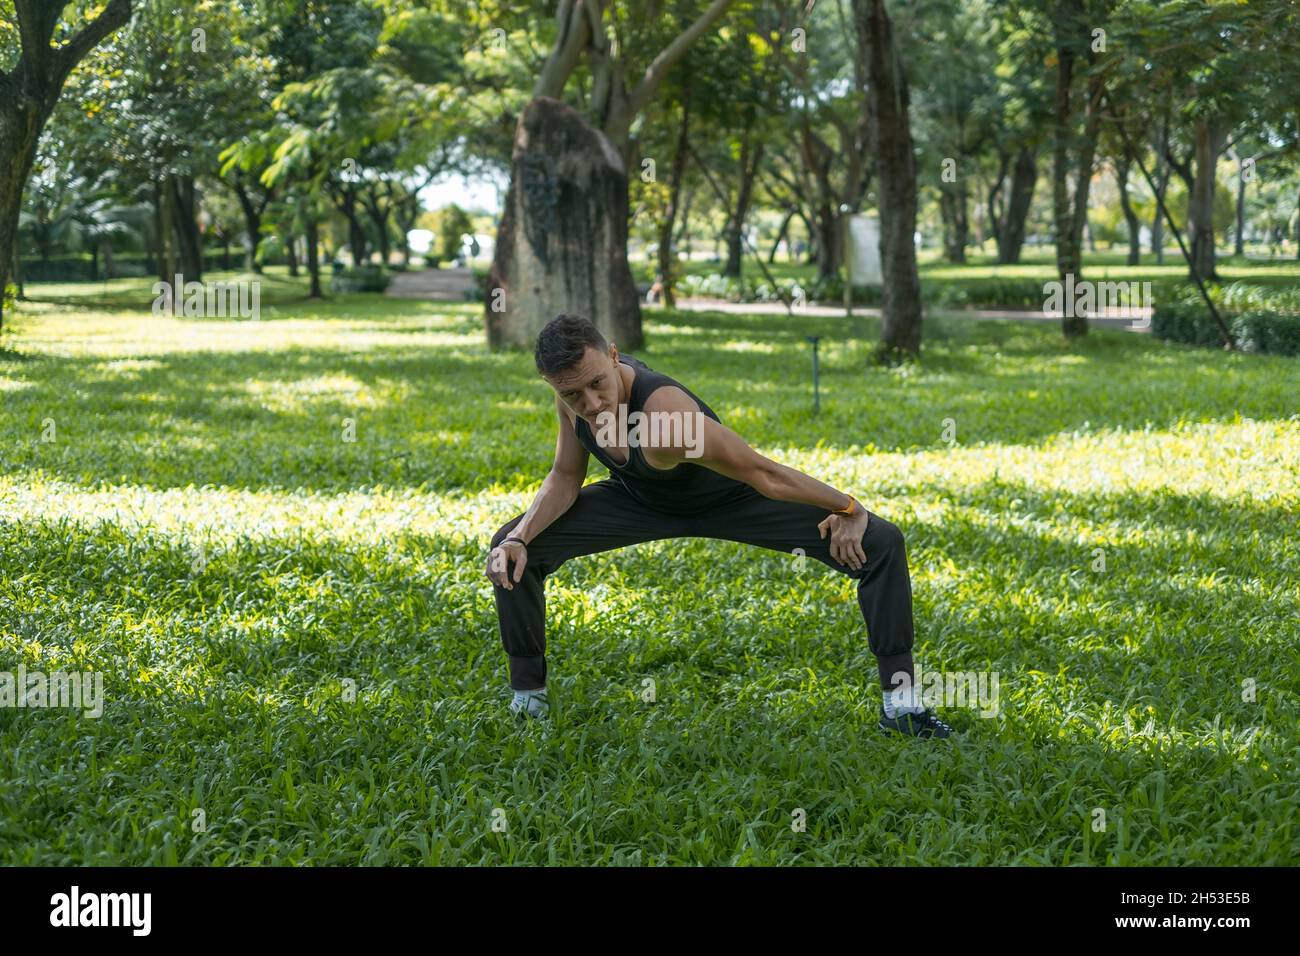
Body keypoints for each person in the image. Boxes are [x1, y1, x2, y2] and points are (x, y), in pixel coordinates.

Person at [485, 313, 952, 739]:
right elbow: (566, 476)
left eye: (596, 384)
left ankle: (901, 705)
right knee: (508, 550)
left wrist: (849, 507)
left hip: (729, 500)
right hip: (637, 499)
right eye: (571, 393)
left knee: (882, 542)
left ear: (613, 356)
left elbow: (762, 473)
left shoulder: (666, 416)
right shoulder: (572, 401)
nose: (590, 402)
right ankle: (529, 699)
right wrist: (520, 536)